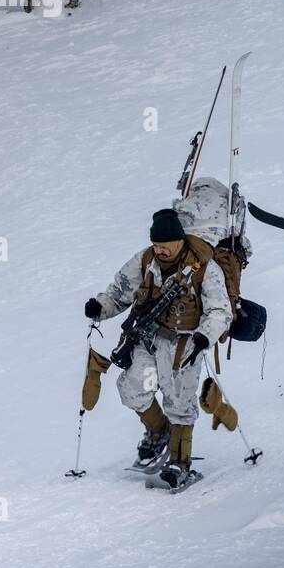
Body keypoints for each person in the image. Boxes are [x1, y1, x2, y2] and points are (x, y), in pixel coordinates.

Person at [85, 208, 232, 489]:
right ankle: (158, 431)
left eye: (165, 245)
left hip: (185, 344)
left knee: (180, 401)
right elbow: (119, 291)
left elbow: (220, 311)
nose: (159, 250)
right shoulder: (145, 260)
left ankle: (180, 462)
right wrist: (100, 307)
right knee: (132, 387)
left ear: (179, 241)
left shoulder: (204, 268)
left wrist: (205, 336)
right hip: (147, 339)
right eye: (156, 244)